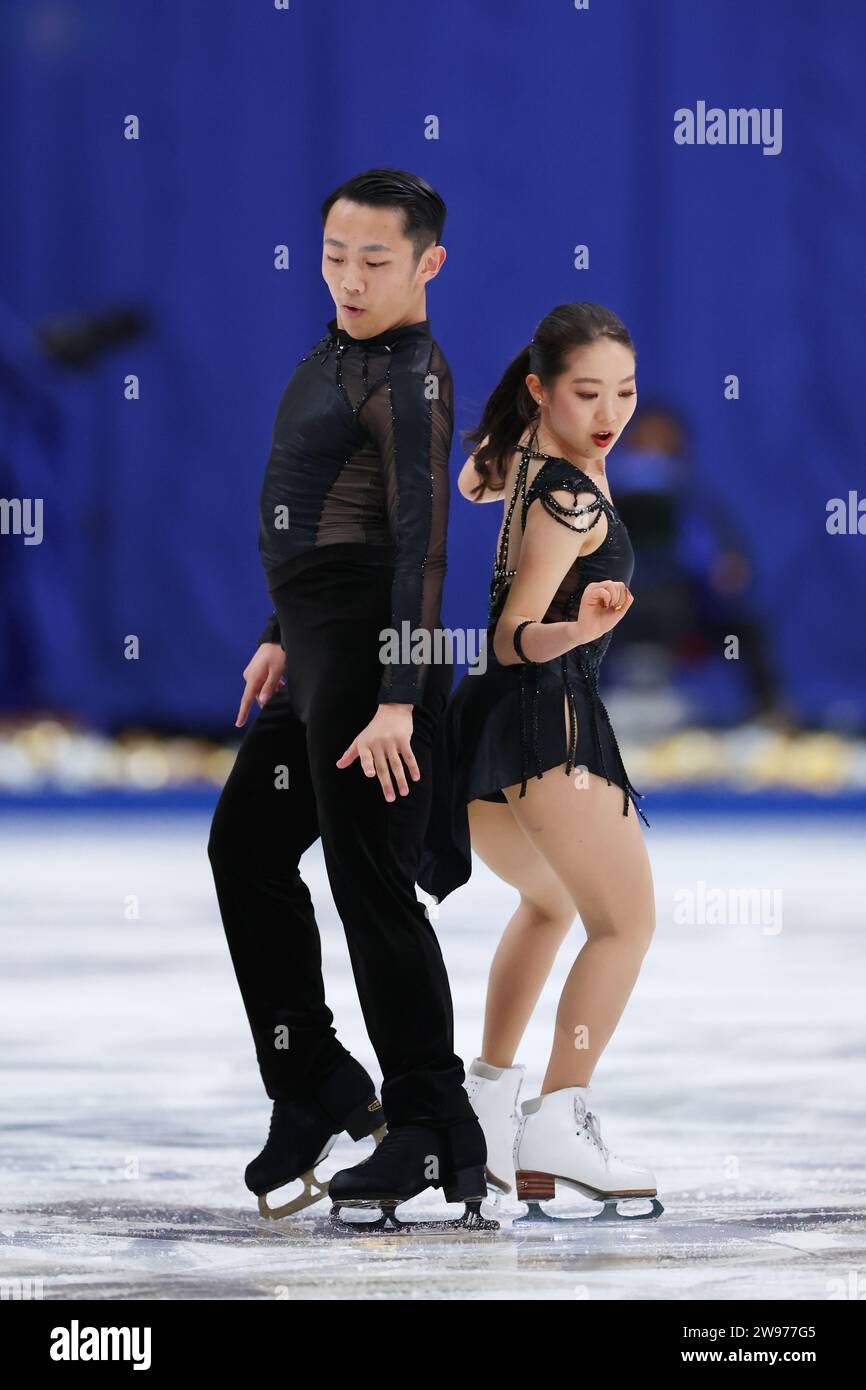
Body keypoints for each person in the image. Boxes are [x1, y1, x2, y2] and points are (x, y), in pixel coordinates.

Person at [207, 168, 493, 1232]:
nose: (349, 277)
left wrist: (402, 696)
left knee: (369, 883)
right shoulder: (337, 351)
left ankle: (427, 1122)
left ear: (428, 263)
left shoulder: (411, 374)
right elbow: (326, 511)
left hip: (375, 656)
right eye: (334, 254)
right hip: (321, 649)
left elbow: (420, 541)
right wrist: (283, 635)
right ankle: (317, 1081)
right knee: (244, 849)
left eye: (375, 259)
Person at [418, 302, 663, 1222]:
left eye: (626, 393)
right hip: (544, 718)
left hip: (490, 729)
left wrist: (520, 444)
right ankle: (561, 1122)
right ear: (541, 390)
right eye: (587, 392)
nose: (610, 413)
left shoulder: (524, 455)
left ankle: (487, 1101)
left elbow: (478, 478)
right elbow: (514, 635)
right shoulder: (570, 494)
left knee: (552, 900)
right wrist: (584, 624)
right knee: (625, 924)